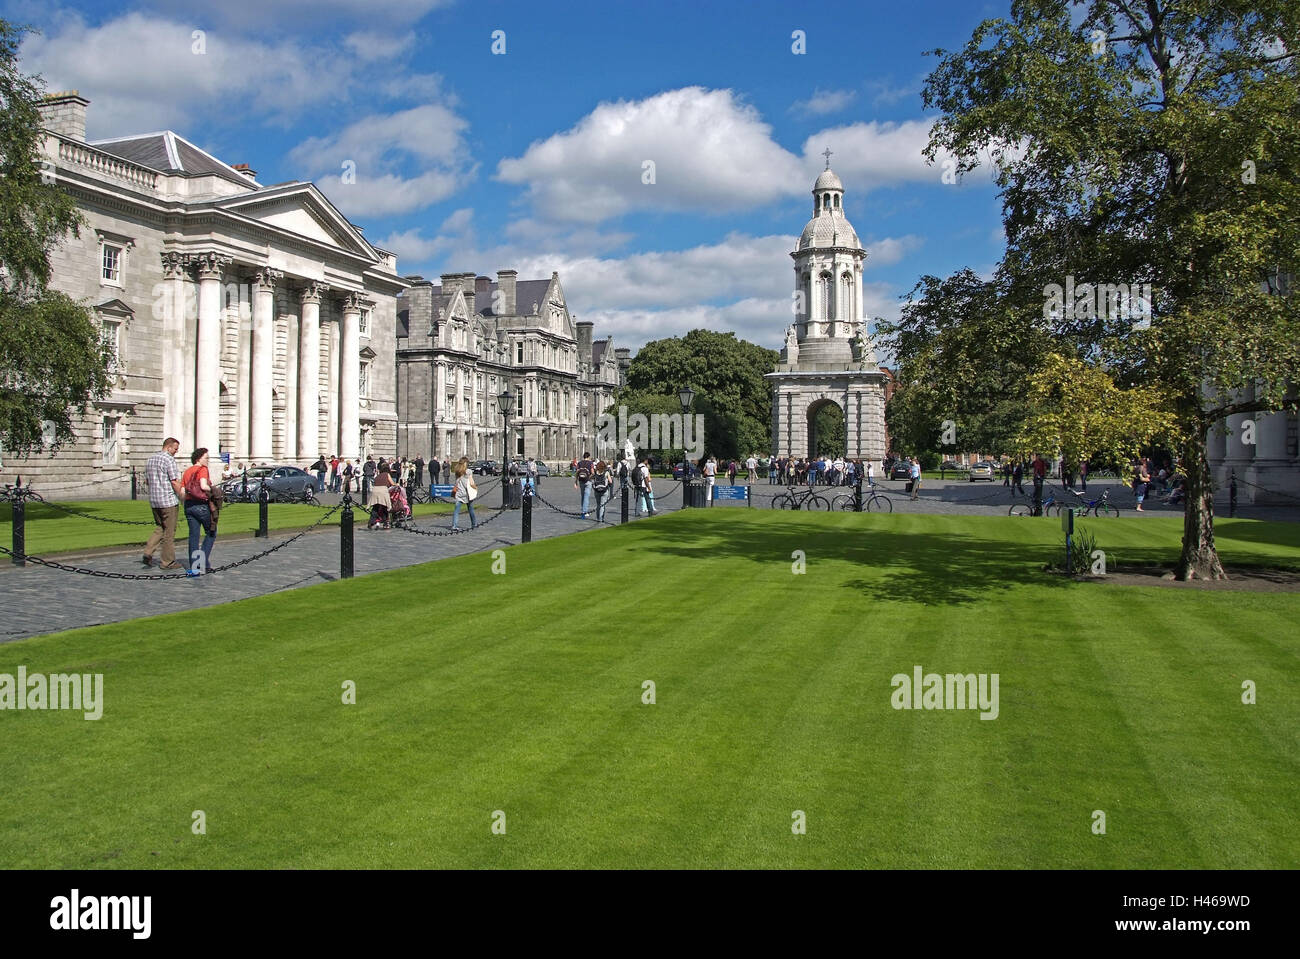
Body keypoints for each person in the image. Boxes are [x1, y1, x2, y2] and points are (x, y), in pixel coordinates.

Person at [142, 437, 185, 569]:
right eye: (175, 449)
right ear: (168, 447)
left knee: (160, 527)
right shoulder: (168, 459)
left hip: (154, 501)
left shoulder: (150, 459)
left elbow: (147, 481)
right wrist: (182, 496)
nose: (176, 452)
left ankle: (148, 553)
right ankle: (168, 561)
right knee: (169, 532)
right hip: (168, 501)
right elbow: (174, 481)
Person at [181, 448, 217, 576]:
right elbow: (203, 486)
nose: (208, 460)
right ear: (198, 458)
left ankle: (195, 568)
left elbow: (182, 492)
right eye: (206, 458)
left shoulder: (187, 471)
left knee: (193, 537)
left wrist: (185, 505)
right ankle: (203, 563)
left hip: (189, 506)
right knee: (211, 532)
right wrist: (213, 489)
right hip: (202, 505)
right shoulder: (202, 469)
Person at [451, 457, 478, 529]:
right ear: (465, 463)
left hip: (459, 493)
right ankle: (474, 524)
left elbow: (456, 483)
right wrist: (475, 488)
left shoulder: (457, 471)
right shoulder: (468, 471)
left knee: (456, 511)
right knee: (471, 510)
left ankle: (454, 525)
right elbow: (472, 483)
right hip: (467, 494)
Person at [574, 450, 596, 518]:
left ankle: (583, 509)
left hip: (581, 481)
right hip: (588, 481)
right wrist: (589, 477)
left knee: (583, 496)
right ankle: (584, 511)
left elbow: (577, 472)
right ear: (588, 457)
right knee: (586, 496)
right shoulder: (590, 463)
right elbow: (592, 472)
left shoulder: (580, 463)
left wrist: (575, 482)